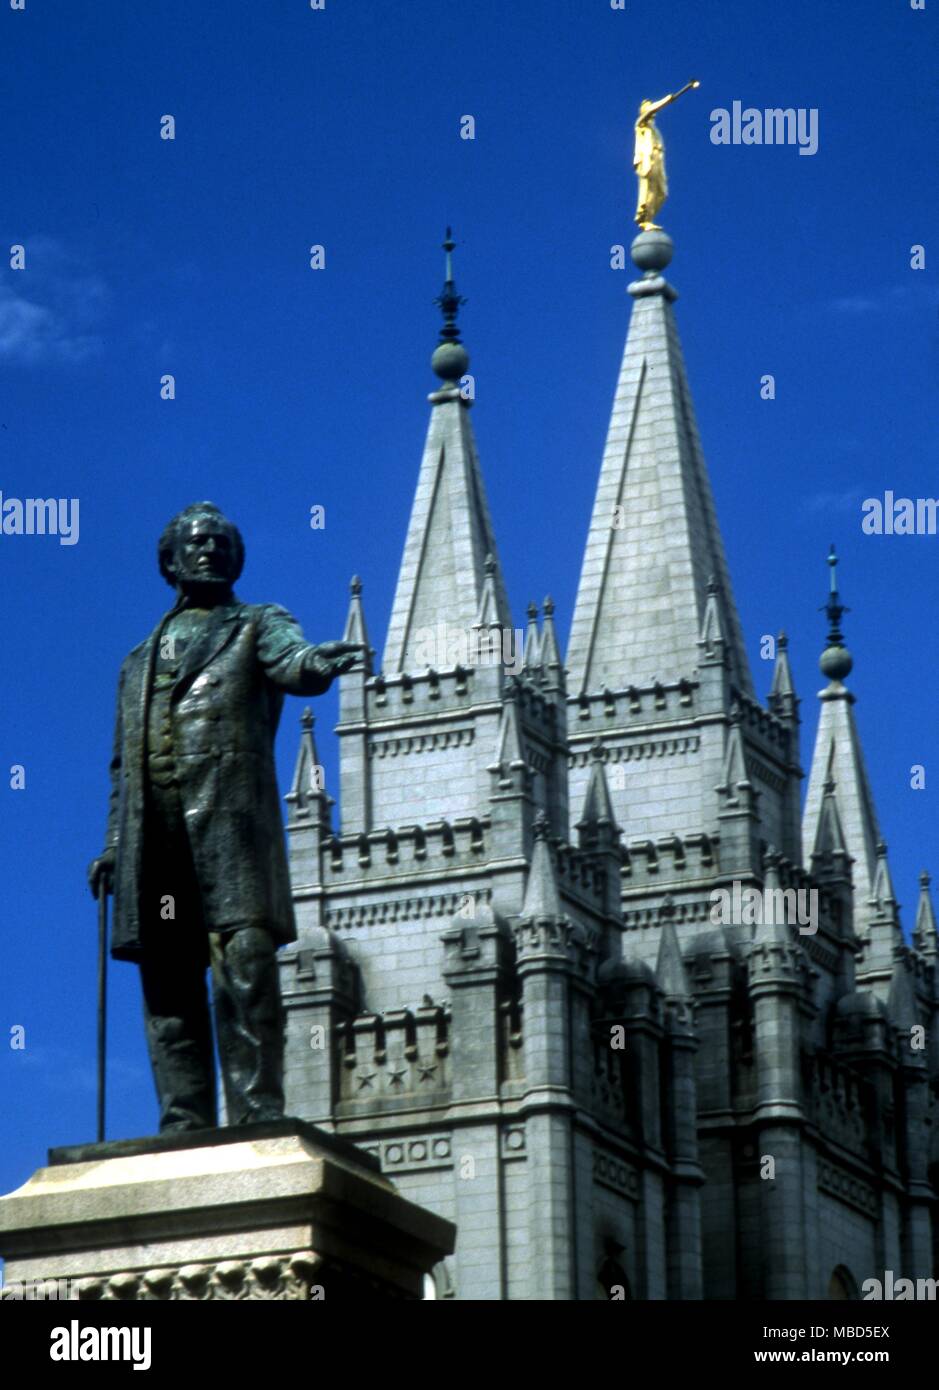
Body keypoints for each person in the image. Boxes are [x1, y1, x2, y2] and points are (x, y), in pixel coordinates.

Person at [88, 501, 363, 1133]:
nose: (210, 550)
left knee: (246, 968)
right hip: (154, 839)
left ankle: (256, 1109)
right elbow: (120, 766)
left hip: (230, 829)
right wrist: (111, 845)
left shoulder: (255, 623)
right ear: (171, 560)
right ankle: (182, 1117)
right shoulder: (136, 662)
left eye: (221, 542)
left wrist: (318, 663)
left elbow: (291, 662)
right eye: (198, 542)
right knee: (167, 980)